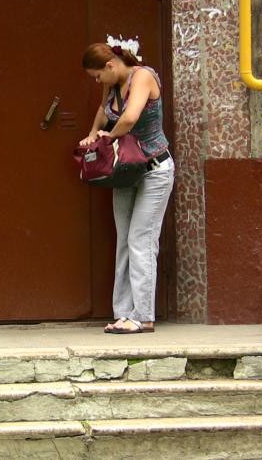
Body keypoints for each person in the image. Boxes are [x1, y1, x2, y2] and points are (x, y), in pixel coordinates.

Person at [79, 43, 174, 334]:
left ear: (110, 66)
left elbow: (130, 117)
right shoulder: (113, 84)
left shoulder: (142, 76)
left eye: (97, 76)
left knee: (141, 240)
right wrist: (93, 133)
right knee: (124, 241)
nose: (98, 82)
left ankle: (143, 316)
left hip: (154, 170)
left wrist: (107, 137)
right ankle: (123, 313)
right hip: (124, 172)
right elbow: (103, 111)